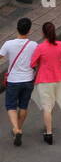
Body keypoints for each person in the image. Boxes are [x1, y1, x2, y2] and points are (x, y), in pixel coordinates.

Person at [24, 25, 61, 147]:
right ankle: (48, 125)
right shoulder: (60, 45)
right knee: (52, 103)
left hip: (44, 80)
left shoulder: (40, 47)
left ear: (43, 33)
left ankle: (49, 133)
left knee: (46, 106)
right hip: (58, 79)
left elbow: (32, 63)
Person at [1, 17, 37, 146]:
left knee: (11, 106)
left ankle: (16, 128)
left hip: (13, 80)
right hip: (28, 80)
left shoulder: (8, 44)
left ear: (17, 28)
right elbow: (37, 61)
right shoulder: (33, 45)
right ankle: (19, 128)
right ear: (29, 30)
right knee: (23, 105)